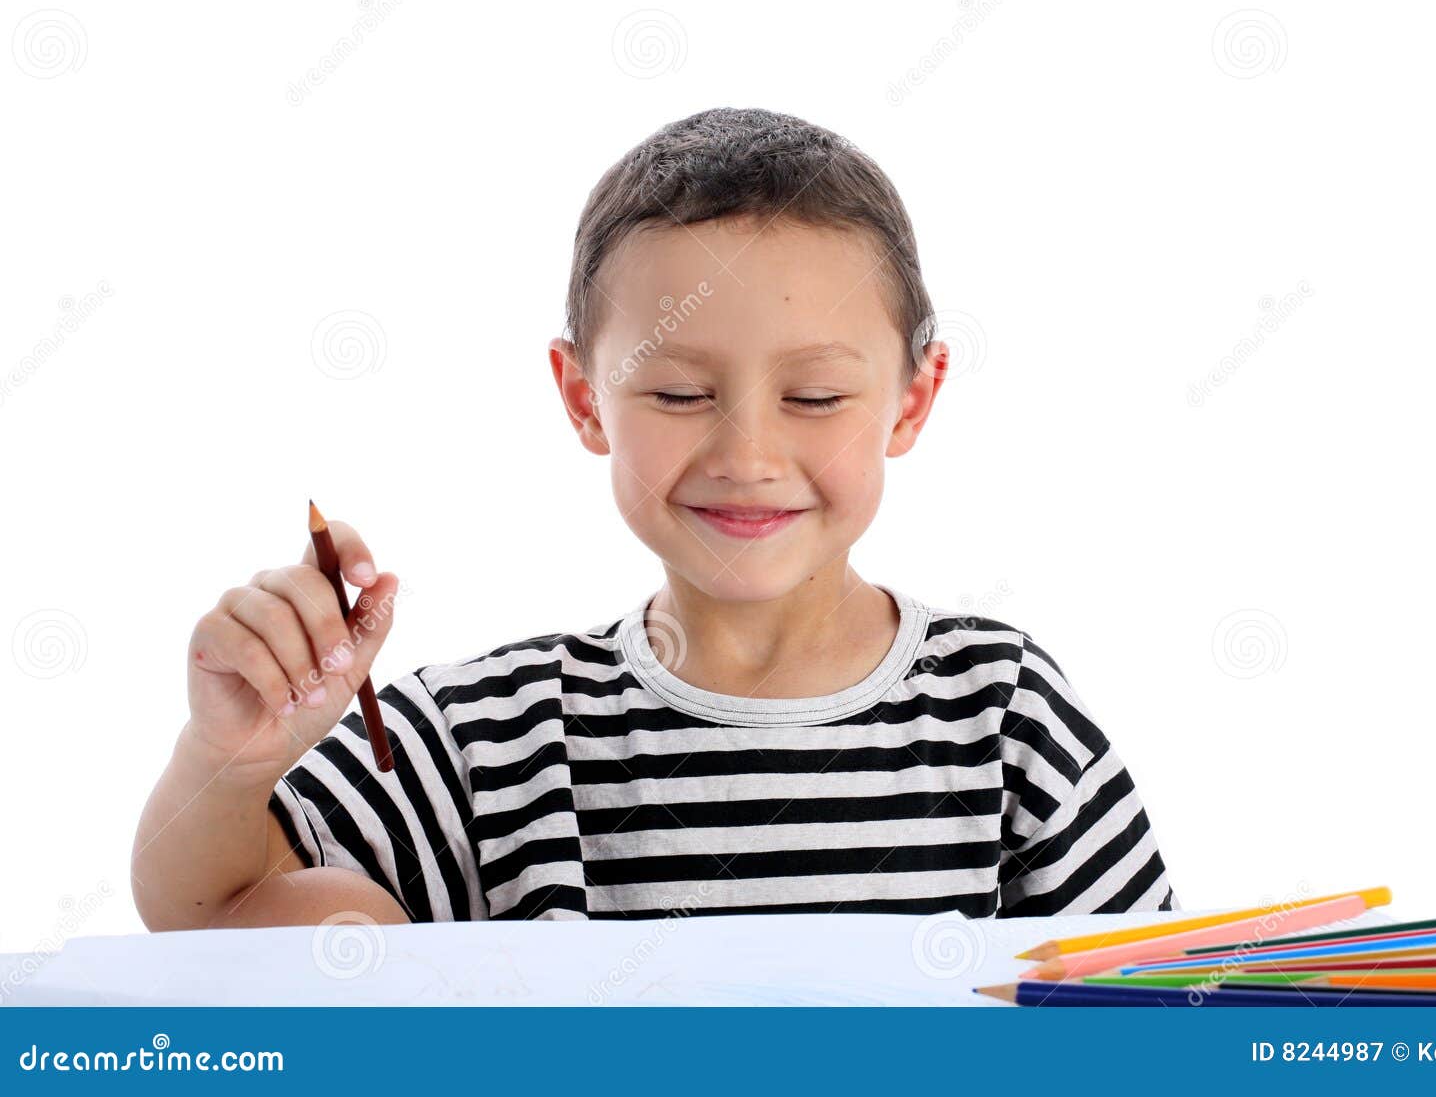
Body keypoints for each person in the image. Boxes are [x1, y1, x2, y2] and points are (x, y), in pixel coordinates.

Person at [131, 107, 1178, 929]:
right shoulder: (490, 741)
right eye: (678, 394)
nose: (747, 456)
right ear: (585, 397)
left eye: (813, 397)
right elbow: (210, 906)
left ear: (913, 398)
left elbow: (1149, 1014)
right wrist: (230, 762)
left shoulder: (1003, 715)